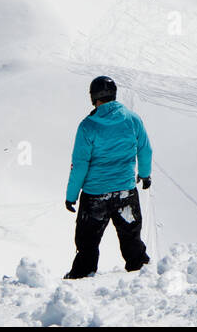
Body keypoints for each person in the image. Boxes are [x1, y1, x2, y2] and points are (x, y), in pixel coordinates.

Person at [63, 75, 152, 278]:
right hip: (125, 192)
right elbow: (145, 150)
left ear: (93, 97)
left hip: (95, 195)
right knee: (131, 239)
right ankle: (142, 277)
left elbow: (79, 165)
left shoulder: (88, 126)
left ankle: (82, 276)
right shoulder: (132, 119)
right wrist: (145, 175)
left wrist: (71, 195)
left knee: (87, 243)